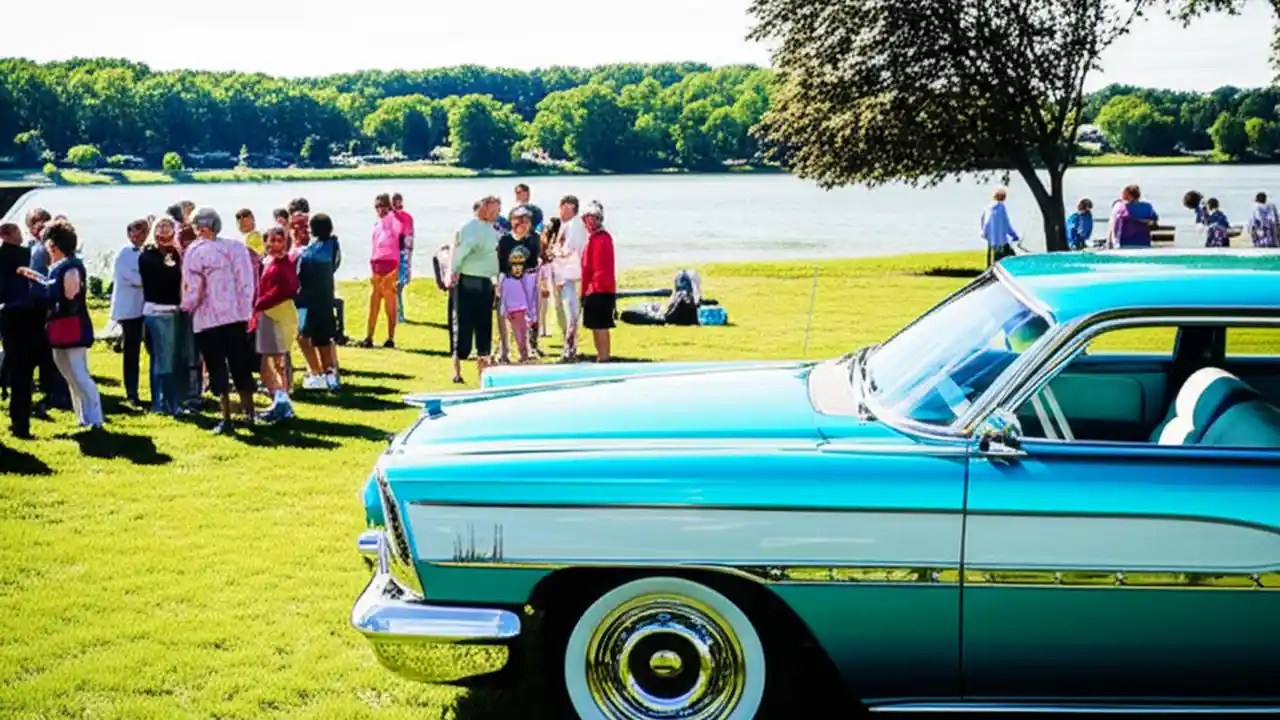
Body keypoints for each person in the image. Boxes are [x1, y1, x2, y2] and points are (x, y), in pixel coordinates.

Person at [18, 219, 104, 431]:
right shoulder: (59, 267)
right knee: (68, 374)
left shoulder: (71, 267)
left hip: (72, 325)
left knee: (79, 373)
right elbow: (53, 288)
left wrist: (39, 286)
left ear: (54, 245)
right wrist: (37, 278)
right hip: (60, 325)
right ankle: (82, 416)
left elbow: (68, 295)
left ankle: (96, 417)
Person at [180, 207, 258, 435]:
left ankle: (226, 418)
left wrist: (185, 307)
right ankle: (250, 414)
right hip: (235, 317)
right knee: (240, 364)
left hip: (208, 319)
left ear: (200, 227)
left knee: (217, 368)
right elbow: (246, 282)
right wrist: (245, 311)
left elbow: (194, 288)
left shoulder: (196, 251)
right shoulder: (236, 247)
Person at [138, 215, 188, 415]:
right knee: (162, 359)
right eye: (161, 227)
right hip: (157, 311)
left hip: (174, 310)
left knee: (172, 359)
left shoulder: (175, 254)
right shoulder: (148, 255)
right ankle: (160, 402)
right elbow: (161, 280)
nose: (165, 231)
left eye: (168, 227)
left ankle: (170, 400)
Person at [24, 207, 70, 413]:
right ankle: (49, 389)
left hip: (47, 305)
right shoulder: (33, 247)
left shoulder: (50, 249)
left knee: (53, 352)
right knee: (42, 351)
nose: (40, 226)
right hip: (35, 306)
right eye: (35, 222)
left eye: (44, 221)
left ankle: (58, 393)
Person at [450, 196, 501, 382]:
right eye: (494, 209)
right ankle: (457, 371)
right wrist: (452, 273)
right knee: (463, 324)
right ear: (484, 208)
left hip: (486, 282)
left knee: (484, 326)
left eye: (498, 210)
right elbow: (459, 253)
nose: (497, 213)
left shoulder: (492, 229)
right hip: (468, 280)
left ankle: (482, 372)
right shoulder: (469, 228)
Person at [254, 227, 299, 422]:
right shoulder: (268, 262)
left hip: (278, 315)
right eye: (270, 240)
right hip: (269, 314)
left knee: (273, 363)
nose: (273, 244)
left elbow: (285, 289)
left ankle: (282, 401)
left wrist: (258, 304)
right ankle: (280, 400)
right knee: (270, 362)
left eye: (278, 241)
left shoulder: (284, 264)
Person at [0, 222, 38, 438]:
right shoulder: (26, 255)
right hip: (27, 315)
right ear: (7, 235)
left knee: (14, 364)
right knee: (24, 371)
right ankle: (22, 421)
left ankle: (17, 417)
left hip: (7, 315)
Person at [297, 213, 342, 391]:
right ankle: (329, 375)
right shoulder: (332, 245)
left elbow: (300, 273)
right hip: (325, 299)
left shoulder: (309, 252)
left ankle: (316, 373)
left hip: (305, 301)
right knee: (323, 338)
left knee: (302, 335)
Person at [110, 218, 149, 406]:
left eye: (144, 231)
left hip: (144, 308)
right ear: (130, 234)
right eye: (137, 231)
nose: (141, 234)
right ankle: (131, 392)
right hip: (129, 310)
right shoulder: (125, 254)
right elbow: (132, 278)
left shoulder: (147, 252)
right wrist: (152, 278)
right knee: (131, 351)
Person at [498, 206, 541, 363]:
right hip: (511, 281)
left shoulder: (534, 238)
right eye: (518, 220)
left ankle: (527, 349)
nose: (522, 223)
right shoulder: (505, 240)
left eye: (525, 220)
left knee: (530, 317)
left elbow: (534, 261)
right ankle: (523, 352)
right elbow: (502, 264)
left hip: (529, 280)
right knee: (517, 316)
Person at [361, 193, 402, 349]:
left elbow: (400, 246)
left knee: (390, 304)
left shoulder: (395, 222)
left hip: (390, 265)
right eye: (377, 207)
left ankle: (390, 337)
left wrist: (396, 271)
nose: (380, 210)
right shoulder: (377, 225)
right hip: (376, 265)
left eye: (383, 206)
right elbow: (375, 246)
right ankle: (368, 337)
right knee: (374, 303)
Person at [579, 201, 617, 363]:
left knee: (600, 325)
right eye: (587, 219)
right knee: (596, 326)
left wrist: (588, 291)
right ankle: (601, 355)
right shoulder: (597, 238)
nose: (588, 223)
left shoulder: (600, 239)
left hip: (599, 290)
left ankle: (604, 356)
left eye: (592, 219)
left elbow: (593, 268)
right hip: (597, 289)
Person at [553, 195, 589, 361]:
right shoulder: (565, 225)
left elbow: (570, 250)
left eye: (566, 208)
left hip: (571, 276)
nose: (562, 211)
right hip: (563, 275)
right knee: (564, 311)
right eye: (561, 208)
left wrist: (555, 253)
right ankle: (569, 346)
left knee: (570, 313)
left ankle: (570, 348)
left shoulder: (575, 225)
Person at [1107, 184, 1159, 249]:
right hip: (1144, 242)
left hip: (1125, 243)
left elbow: (1113, 225)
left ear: (1127, 195)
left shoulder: (1121, 207)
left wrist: (1110, 242)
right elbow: (1155, 218)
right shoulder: (1148, 207)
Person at [980, 187, 1019, 266]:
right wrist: (1014, 235)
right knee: (1010, 258)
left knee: (993, 255)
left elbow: (983, 219)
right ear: (1003, 197)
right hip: (1001, 239)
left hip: (990, 236)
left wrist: (984, 232)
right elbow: (1006, 224)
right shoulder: (1001, 207)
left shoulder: (988, 207)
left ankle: (990, 268)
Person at [392, 192, 415, 324]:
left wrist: (409, 260)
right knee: (396, 287)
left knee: (398, 287)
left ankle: (398, 314)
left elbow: (409, 239)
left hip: (401, 254)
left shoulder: (406, 218)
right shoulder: (391, 218)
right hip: (396, 255)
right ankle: (398, 314)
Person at [537, 217, 561, 344]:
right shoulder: (543, 239)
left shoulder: (548, 238)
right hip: (544, 270)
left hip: (548, 270)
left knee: (545, 302)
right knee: (543, 301)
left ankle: (543, 328)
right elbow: (542, 256)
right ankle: (541, 328)